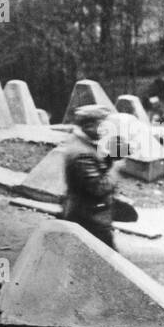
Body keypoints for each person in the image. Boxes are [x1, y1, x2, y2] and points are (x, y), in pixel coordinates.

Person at [61, 104, 119, 249]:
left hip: (89, 214)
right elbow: (98, 187)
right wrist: (117, 168)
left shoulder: (84, 143)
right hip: (90, 218)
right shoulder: (82, 153)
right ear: (89, 125)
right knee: (107, 263)